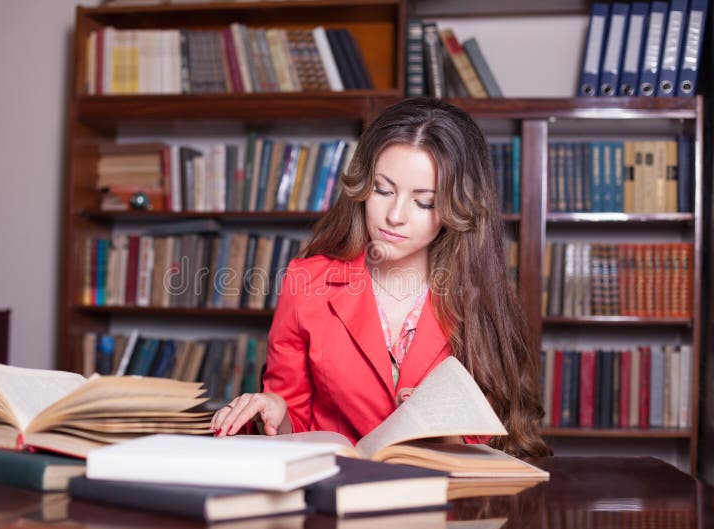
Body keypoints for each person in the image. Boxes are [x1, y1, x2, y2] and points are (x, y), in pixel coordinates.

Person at [210, 98, 550, 458]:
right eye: (383, 190)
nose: (395, 216)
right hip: (337, 490)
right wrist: (275, 412)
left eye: (424, 202)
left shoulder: (481, 295)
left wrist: (442, 433)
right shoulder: (305, 280)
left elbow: (502, 435)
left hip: (447, 501)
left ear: (456, 208)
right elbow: (293, 419)